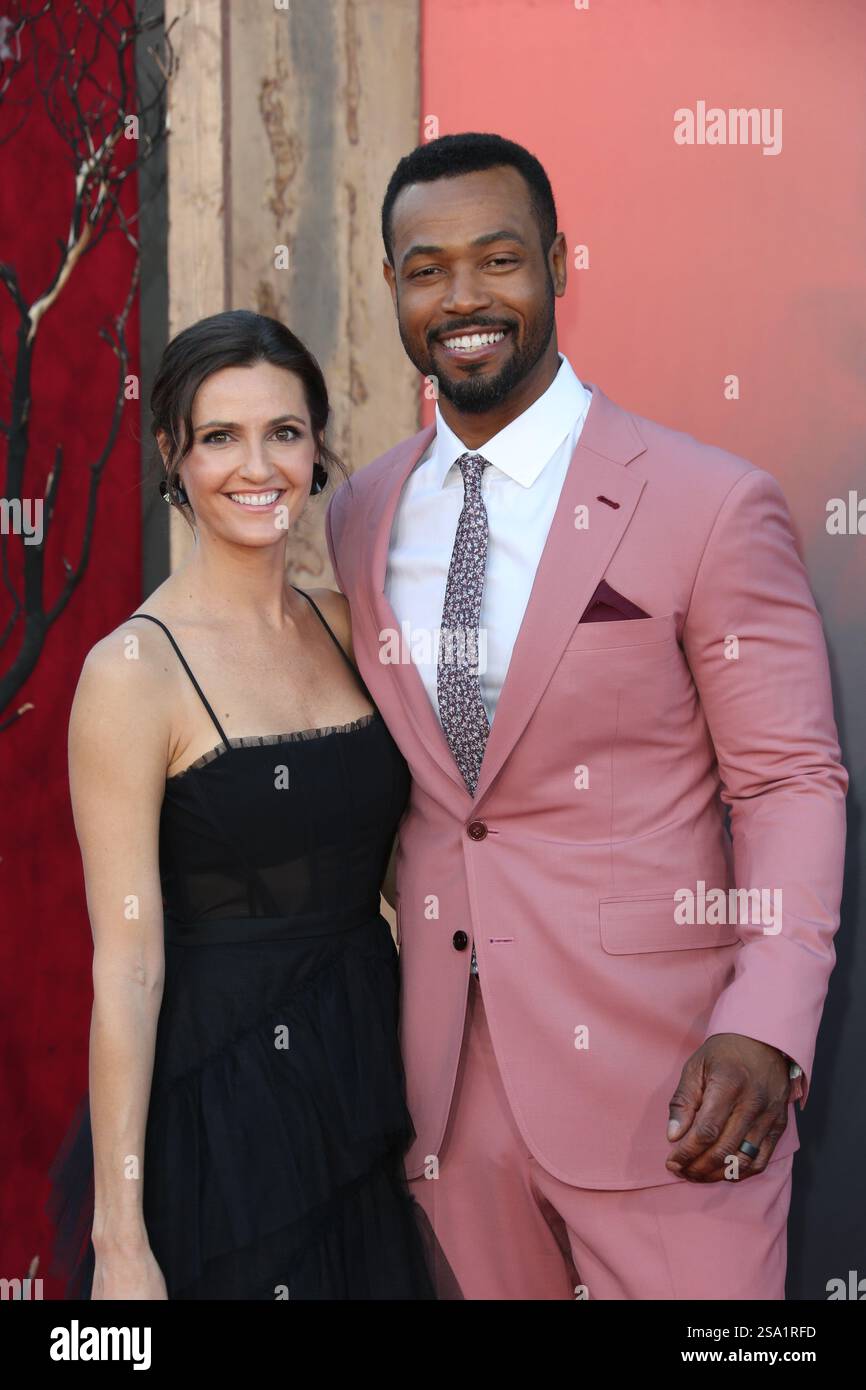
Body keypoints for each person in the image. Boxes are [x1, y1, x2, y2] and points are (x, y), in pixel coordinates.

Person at [325, 131, 848, 1300]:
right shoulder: (358, 517)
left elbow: (784, 784)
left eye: (497, 258)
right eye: (426, 268)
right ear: (394, 290)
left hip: (676, 1095)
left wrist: (765, 1022)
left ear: (559, 264)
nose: (463, 297)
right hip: (446, 1107)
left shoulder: (708, 502)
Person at [47, 309, 459, 1300]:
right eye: (218, 436)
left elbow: (427, 856)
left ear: (316, 449)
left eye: (283, 431)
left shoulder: (348, 623)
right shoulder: (131, 673)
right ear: (171, 455)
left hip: (362, 1083)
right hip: (219, 1123)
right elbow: (129, 964)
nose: (256, 465)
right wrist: (120, 1238)